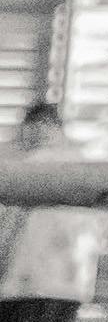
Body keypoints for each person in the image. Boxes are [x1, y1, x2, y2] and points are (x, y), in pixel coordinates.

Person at [0, 103, 99, 322]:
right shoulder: (87, 168)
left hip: (25, 285)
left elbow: (7, 227)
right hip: (70, 287)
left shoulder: (25, 168)